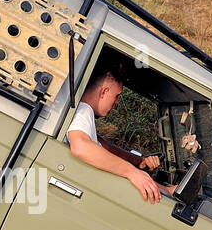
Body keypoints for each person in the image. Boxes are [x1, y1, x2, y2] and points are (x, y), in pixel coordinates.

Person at [66, 72, 166, 204]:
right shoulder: (83, 112)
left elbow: (104, 146)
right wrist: (132, 172)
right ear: (104, 92)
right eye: (117, 96)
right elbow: (81, 147)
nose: (117, 101)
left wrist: (139, 161)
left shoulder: (84, 116)